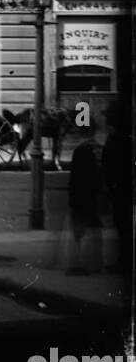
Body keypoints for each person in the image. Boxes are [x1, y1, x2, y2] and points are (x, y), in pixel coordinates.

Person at [102, 101, 133, 272]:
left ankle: (124, 262)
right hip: (124, 187)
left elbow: (109, 166)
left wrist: (108, 186)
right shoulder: (126, 139)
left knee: (123, 226)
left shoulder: (114, 139)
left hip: (118, 188)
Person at [66, 136, 102, 274]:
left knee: (79, 231)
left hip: (79, 197)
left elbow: (74, 178)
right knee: (89, 229)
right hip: (88, 196)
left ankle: (81, 261)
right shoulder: (90, 151)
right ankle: (89, 261)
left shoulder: (80, 151)